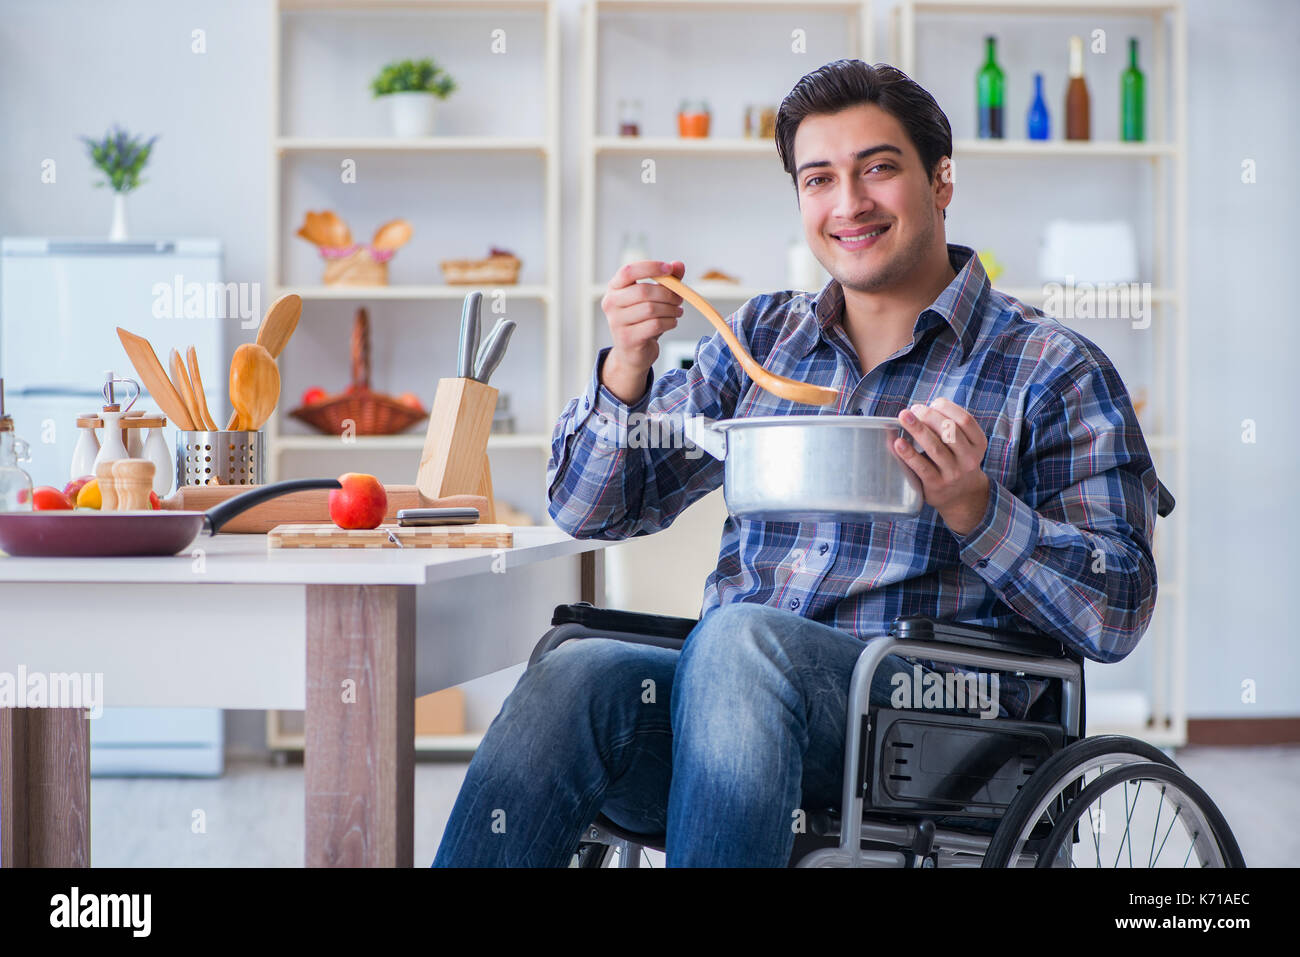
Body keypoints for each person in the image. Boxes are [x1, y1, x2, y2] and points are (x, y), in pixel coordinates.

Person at [433, 59, 1159, 867]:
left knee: (743, 644)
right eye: (819, 179)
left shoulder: (1052, 368)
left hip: (936, 734)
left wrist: (978, 507)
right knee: (575, 675)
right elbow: (586, 509)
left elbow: (1117, 607)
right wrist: (626, 370)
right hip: (727, 729)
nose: (848, 204)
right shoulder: (762, 342)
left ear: (941, 180)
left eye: (878, 169)